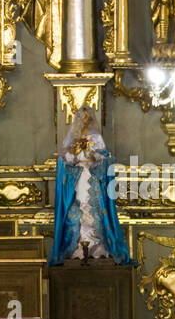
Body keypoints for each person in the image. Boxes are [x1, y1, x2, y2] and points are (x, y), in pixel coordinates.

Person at [49, 106, 131, 265]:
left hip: (92, 177)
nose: (85, 120)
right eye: (82, 117)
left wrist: (96, 157)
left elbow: (106, 157)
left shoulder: (96, 138)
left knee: (94, 211)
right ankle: (78, 247)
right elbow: (65, 159)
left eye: (87, 117)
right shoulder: (72, 138)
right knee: (79, 209)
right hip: (78, 178)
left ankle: (97, 247)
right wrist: (72, 156)